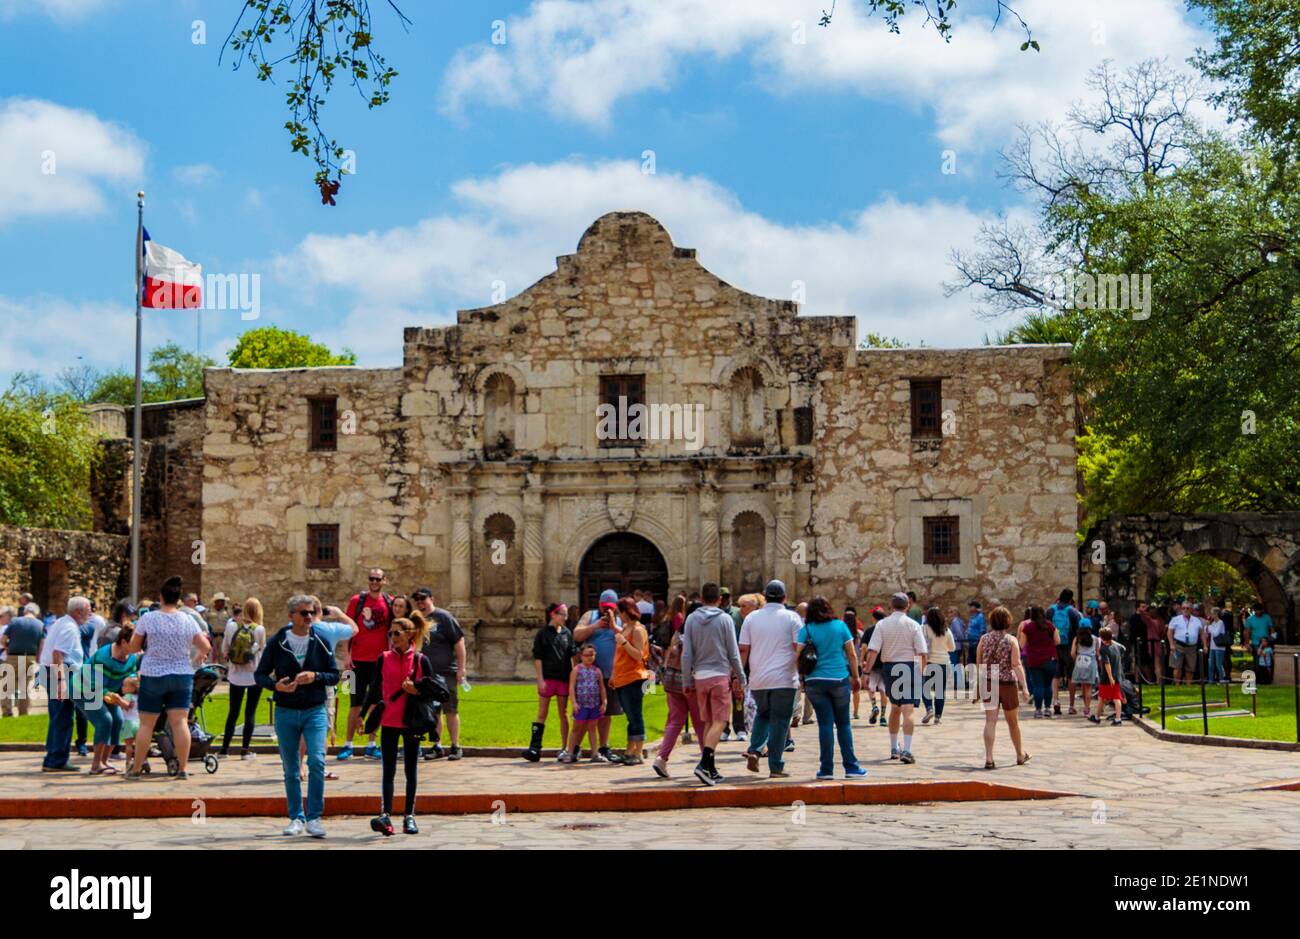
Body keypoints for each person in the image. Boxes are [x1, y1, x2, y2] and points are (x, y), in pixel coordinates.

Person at [256, 594, 340, 838]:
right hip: (286, 711)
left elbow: (334, 675)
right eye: (304, 613)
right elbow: (260, 675)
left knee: (317, 761)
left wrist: (315, 676)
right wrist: (276, 686)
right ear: (291, 615)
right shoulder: (278, 641)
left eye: (312, 612)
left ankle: (314, 817)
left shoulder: (321, 640)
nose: (309, 617)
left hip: (314, 709)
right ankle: (296, 817)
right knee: (291, 768)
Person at [125, 577, 211, 780]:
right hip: (181, 673)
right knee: (180, 722)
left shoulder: (149, 618)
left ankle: (136, 768)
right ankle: (182, 768)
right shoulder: (187, 619)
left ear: (161, 597)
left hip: (153, 673)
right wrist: (195, 660)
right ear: (178, 599)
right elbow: (205, 646)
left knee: (146, 724)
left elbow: (134, 647)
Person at [360, 615, 437, 836]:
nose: (392, 638)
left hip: (412, 722)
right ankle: (385, 814)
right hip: (389, 721)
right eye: (390, 634)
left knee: (410, 770)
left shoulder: (421, 660)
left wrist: (417, 689)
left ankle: (409, 816)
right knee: (388, 770)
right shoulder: (383, 658)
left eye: (396, 633)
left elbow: (434, 692)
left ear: (409, 634)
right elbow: (373, 689)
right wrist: (362, 716)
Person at [680, 583, 746, 785]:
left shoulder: (691, 619)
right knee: (721, 721)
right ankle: (704, 762)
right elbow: (733, 652)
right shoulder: (725, 619)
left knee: (708, 722)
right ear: (719, 599)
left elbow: (687, 652)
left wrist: (685, 678)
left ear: (701, 597)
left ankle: (710, 768)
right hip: (719, 674)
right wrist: (741, 677)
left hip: (700, 676)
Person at [740, 580, 802, 778]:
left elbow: (743, 649)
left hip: (758, 678)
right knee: (781, 721)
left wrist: (738, 674)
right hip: (784, 677)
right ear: (784, 597)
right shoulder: (792, 618)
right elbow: (798, 648)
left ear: (765, 597)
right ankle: (776, 765)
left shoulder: (751, 618)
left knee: (763, 714)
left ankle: (755, 749)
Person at [797, 597, 864, 780]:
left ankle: (826, 769)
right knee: (843, 724)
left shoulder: (807, 629)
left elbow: (797, 655)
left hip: (815, 681)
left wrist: (801, 677)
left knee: (824, 724)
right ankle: (851, 767)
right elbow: (851, 653)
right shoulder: (840, 626)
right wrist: (856, 677)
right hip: (839, 678)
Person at [862, 593, 928, 764]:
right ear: (907, 606)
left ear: (890, 606)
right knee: (908, 710)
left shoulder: (882, 625)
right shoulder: (914, 625)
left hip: (889, 668)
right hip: (908, 667)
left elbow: (873, 650)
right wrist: (922, 672)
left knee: (895, 708)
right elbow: (922, 652)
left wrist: (867, 672)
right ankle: (907, 749)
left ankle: (893, 747)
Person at [340, 568, 394, 761]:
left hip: (379, 664)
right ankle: (348, 745)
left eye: (378, 579)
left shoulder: (389, 602)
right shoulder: (357, 601)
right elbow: (348, 630)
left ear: (384, 580)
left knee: (375, 704)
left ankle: (372, 744)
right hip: (356, 663)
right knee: (354, 703)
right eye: (371, 578)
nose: (374, 582)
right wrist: (346, 655)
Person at [72, 625, 139, 775]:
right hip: (83, 689)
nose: (137, 648)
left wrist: (136, 683)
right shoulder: (104, 657)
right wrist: (120, 701)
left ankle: (104, 761)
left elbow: (130, 677)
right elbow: (98, 688)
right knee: (105, 720)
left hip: (105, 690)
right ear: (123, 642)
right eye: (134, 644)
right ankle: (96, 765)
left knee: (118, 720)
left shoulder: (131, 658)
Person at [38, 598, 93, 772]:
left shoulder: (62, 622)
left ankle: (52, 758)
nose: (90, 613)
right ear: (78, 611)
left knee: (58, 717)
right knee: (63, 718)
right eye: (88, 610)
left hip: (52, 672)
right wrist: (61, 682)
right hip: (60, 673)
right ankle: (57, 760)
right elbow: (58, 655)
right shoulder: (69, 627)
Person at [412, 587, 467, 760]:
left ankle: (456, 745)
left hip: (445, 672)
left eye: (423, 599)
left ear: (432, 598)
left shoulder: (444, 617)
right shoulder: (416, 619)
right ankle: (437, 745)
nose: (420, 602)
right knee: (434, 711)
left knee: (450, 708)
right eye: (417, 600)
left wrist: (461, 668)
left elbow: (459, 642)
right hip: (426, 673)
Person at [572, 589, 626, 764]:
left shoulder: (619, 620)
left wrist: (613, 626)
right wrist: (595, 626)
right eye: (604, 607)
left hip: (610, 675)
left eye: (610, 608)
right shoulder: (590, 615)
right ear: (599, 605)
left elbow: (627, 639)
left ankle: (603, 746)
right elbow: (576, 634)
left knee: (605, 712)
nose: (606, 611)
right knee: (582, 715)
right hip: (588, 677)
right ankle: (575, 748)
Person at [975, 606, 1030, 768]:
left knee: (990, 721)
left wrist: (979, 685)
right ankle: (1020, 754)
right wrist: (1024, 687)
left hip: (989, 682)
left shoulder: (984, 639)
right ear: (1008, 621)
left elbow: (979, 663)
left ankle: (989, 758)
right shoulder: (1011, 640)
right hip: (1007, 684)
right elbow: (1016, 664)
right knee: (1013, 723)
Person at [652, 609, 704, 779]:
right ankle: (706, 760)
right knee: (700, 723)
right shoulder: (696, 639)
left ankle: (661, 757)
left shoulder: (678, 636)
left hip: (673, 682)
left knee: (675, 722)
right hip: (690, 684)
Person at [524, 602, 576, 762]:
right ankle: (535, 748)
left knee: (563, 713)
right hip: (548, 678)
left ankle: (565, 747)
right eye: (563, 614)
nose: (565, 618)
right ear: (553, 614)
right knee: (542, 713)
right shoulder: (542, 634)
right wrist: (540, 679)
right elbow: (538, 658)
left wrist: (574, 679)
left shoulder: (567, 633)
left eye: (566, 615)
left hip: (563, 678)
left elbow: (572, 657)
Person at [220, 597, 267, 759]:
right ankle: (244, 751)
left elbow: (224, 649)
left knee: (233, 712)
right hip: (254, 675)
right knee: (250, 713)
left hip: (235, 675)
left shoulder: (232, 626)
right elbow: (262, 650)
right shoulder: (259, 629)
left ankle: (224, 749)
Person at [609, 597, 653, 766]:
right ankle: (629, 750)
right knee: (630, 716)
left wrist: (624, 642)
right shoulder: (627, 628)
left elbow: (638, 655)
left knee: (635, 715)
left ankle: (639, 751)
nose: (619, 615)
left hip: (634, 677)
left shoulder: (638, 629)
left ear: (626, 611)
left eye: (620, 612)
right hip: (622, 677)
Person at [560, 644, 607, 763]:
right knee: (576, 728)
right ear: (581, 656)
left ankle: (595, 752)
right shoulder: (577, 669)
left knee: (592, 728)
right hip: (581, 704)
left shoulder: (597, 671)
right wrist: (574, 702)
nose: (589, 657)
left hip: (594, 704)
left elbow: (601, 687)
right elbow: (572, 687)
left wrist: (604, 702)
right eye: (586, 655)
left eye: (592, 655)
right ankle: (570, 752)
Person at [1, 602, 43, 718]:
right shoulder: (40, 624)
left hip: (13, 656)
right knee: (25, 687)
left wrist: (7, 648)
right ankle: (23, 713)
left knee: (7, 686)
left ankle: (7, 712)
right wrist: (37, 659)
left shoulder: (15, 622)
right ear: (36, 613)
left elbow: (3, 639)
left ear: (25, 611)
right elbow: (41, 645)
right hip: (30, 657)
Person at [1018, 606, 1059, 718]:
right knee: (1047, 685)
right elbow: (1057, 641)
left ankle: (1038, 710)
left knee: (1038, 685)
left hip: (1034, 660)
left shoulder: (1028, 628)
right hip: (1050, 659)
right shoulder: (1050, 625)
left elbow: (1021, 645)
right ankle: (1047, 708)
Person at [1046, 589, 1082, 714]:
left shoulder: (1050, 610)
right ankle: (1071, 705)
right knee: (1071, 675)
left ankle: (1056, 700)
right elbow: (1080, 630)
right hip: (1069, 647)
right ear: (1070, 599)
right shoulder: (1073, 612)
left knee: (1055, 675)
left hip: (1054, 646)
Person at [920, 607, 954, 725]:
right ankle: (938, 717)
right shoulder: (946, 630)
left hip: (928, 662)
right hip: (943, 663)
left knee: (925, 688)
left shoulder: (923, 629)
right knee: (940, 691)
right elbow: (952, 648)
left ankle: (929, 708)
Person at [1092, 626, 1125, 725]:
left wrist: (1110, 677)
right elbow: (1124, 648)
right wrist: (1113, 641)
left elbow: (1107, 663)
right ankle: (1118, 719)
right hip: (1118, 675)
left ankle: (1097, 717)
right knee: (1116, 698)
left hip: (1107, 678)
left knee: (1101, 697)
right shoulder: (1117, 647)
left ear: (1101, 638)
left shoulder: (1103, 649)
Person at [860, 607, 888, 725]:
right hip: (885, 663)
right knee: (883, 690)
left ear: (873, 618)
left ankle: (874, 705)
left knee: (870, 686)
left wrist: (862, 659)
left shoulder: (869, 630)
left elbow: (865, 647)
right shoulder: (887, 630)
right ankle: (882, 716)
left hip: (872, 663)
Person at [1167, 601, 1204, 685]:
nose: (1185, 610)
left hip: (1191, 647)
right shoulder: (1175, 619)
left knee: (1190, 668)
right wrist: (1171, 644)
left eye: (1188, 608)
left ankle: (1188, 685)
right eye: (1183, 608)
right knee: (1177, 667)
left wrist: (1205, 645)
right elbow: (1169, 632)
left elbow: (1202, 633)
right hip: (1178, 645)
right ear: (1181, 609)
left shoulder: (1196, 620)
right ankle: (1177, 685)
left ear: (1191, 609)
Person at [1070, 626, 1099, 717]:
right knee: (1089, 686)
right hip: (1090, 662)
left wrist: (1077, 660)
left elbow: (1072, 653)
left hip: (1079, 661)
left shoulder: (1077, 638)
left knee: (1082, 685)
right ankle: (1087, 708)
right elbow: (1097, 653)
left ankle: (1085, 706)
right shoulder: (1095, 639)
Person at [204, 593, 232, 662]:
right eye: (221, 601)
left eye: (223, 601)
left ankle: (223, 671)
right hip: (212, 637)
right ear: (216, 602)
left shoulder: (227, 612)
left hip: (223, 637)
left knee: (223, 656)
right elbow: (205, 623)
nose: (223, 603)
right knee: (212, 656)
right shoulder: (209, 611)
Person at [1205, 607, 1229, 684]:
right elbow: (1207, 632)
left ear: (1216, 614)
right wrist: (1207, 626)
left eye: (1212, 613)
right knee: (1211, 664)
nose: (1210, 615)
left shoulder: (1220, 623)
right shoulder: (1213, 623)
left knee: (1219, 664)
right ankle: (1210, 681)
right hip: (1212, 647)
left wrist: (1209, 626)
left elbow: (1215, 633)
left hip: (1219, 647)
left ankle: (1222, 680)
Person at [947, 607, 967, 694]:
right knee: (956, 665)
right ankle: (958, 683)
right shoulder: (959, 621)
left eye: (951, 612)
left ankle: (957, 684)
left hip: (955, 645)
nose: (950, 614)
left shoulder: (955, 622)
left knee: (954, 665)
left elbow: (959, 633)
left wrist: (962, 641)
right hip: (957, 645)